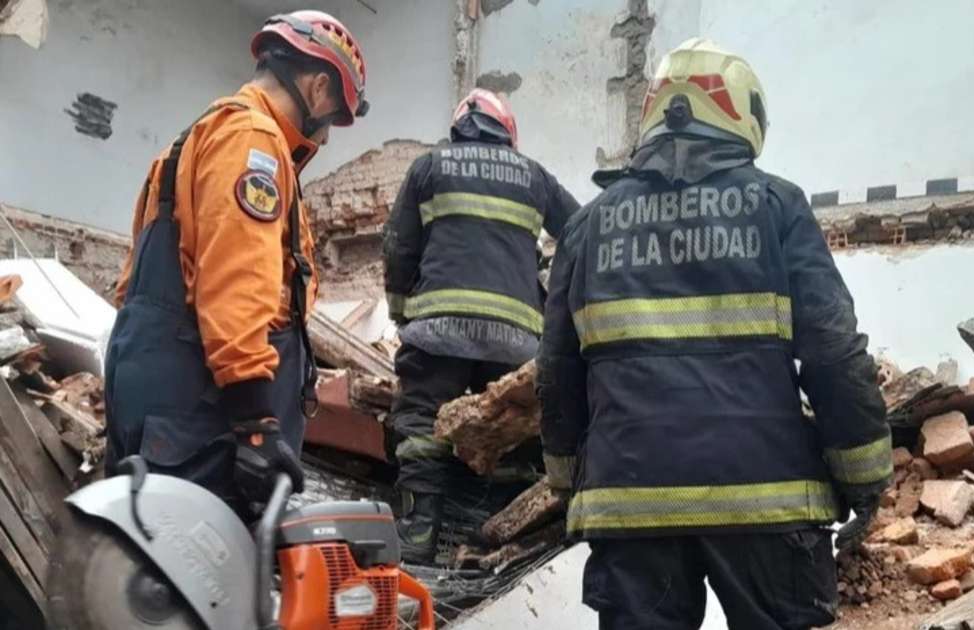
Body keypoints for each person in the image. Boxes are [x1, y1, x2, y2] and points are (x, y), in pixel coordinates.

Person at [537, 38, 892, 629]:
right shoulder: (778, 207)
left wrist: (565, 478)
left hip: (630, 507)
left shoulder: (587, 226)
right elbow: (833, 353)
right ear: (743, 115)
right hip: (769, 502)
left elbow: (556, 372)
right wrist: (866, 478)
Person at [105, 10, 368, 519]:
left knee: (144, 546)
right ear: (318, 89)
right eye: (335, 116)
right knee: (201, 556)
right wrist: (254, 419)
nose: (327, 137)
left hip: (157, 398)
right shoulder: (254, 142)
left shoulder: (191, 142)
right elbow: (238, 281)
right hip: (205, 414)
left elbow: (130, 285)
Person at [382, 88, 580, 563]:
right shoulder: (534, 175)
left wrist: (402, 311)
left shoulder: (429, 167)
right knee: (514, 428)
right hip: (516, 341)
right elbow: (581, 232)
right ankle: (494, 536)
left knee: (421, 420)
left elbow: (399, 246)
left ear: (459, 128)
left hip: (438, 332)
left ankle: (418, 532)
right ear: (508, 133)